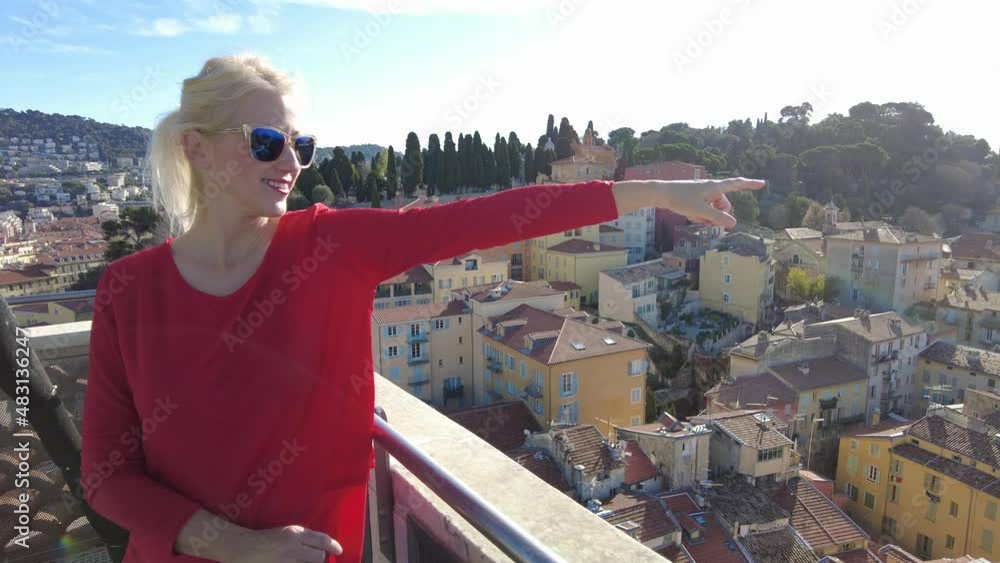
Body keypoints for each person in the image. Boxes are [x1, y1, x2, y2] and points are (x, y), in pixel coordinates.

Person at [79, 53, 764, 563]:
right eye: (266, 141)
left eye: (300, 144)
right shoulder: (127, 291)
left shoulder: (330, 244)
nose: (290, 159)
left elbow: (486, 219)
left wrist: (660, 191)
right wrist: (235, 544)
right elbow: (107, 478)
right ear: (196, 149)